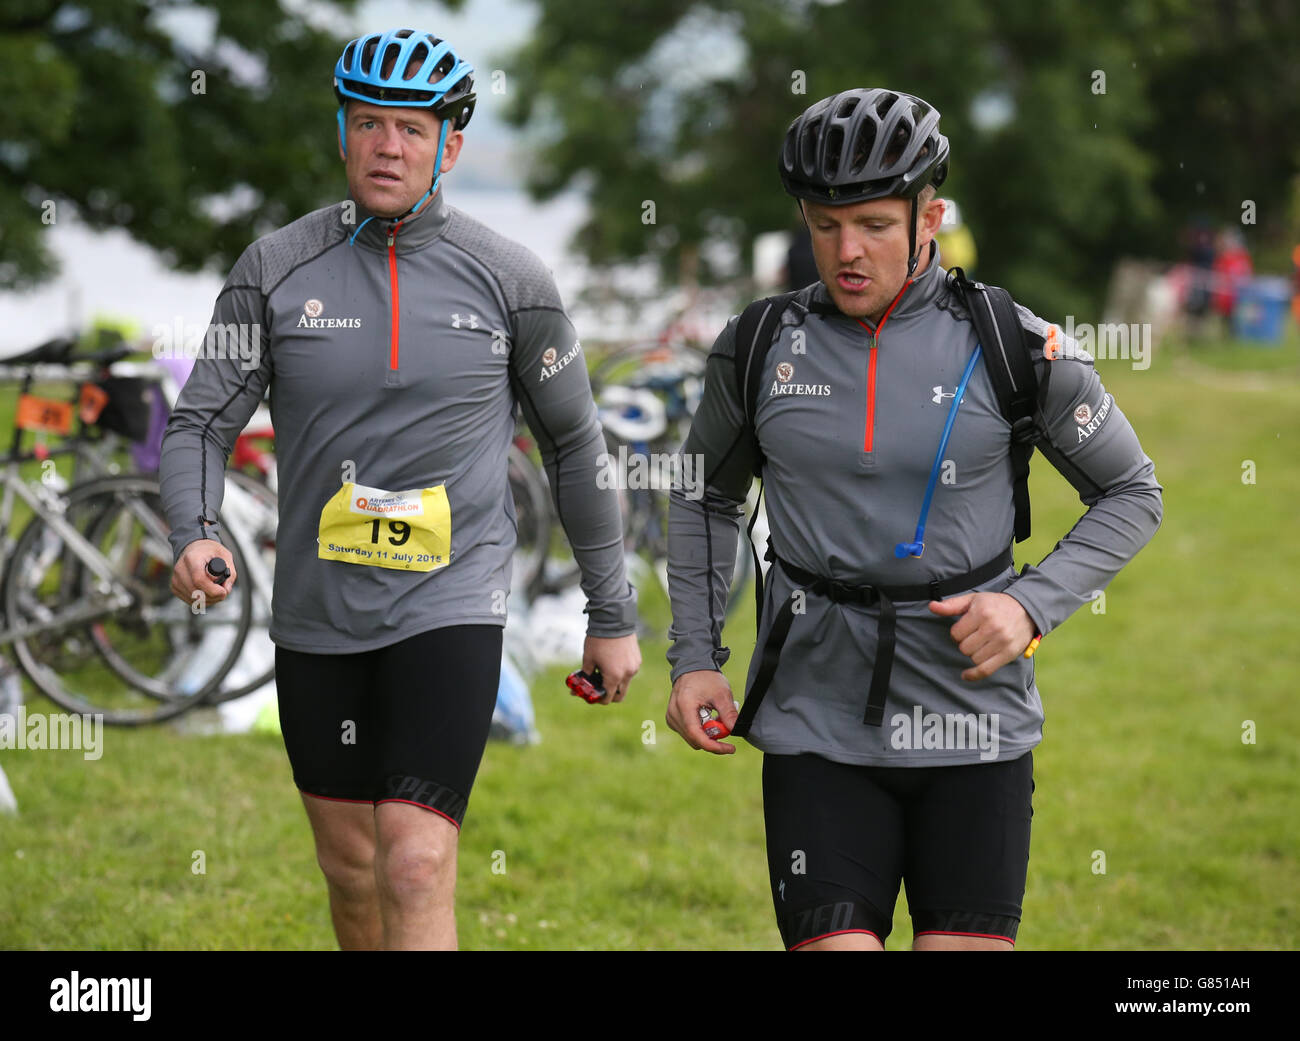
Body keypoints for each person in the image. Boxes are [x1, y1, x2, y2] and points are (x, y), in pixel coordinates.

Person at [160, 28, 640, 950]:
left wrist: (611, 612)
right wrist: (195, 527)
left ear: (449, 147)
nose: (389, 146)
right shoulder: (273, 270)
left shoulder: (512, 281)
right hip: (317, 611)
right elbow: (201, 424)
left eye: (413, 130)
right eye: (370, 124)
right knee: (350, 871)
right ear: (341, 132)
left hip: (450, 602)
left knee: (415, 862)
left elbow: (574, 445)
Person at [664, 88, 1162, 951]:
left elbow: (1132, 491)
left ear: (929, 215)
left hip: (973, 726)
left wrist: (1031, 605)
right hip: (816, 719)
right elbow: (704, 494)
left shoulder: (1014, 346)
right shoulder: (758, 346)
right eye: (824, 225)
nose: (845, 251)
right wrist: (695, 657)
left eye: (873, 225)